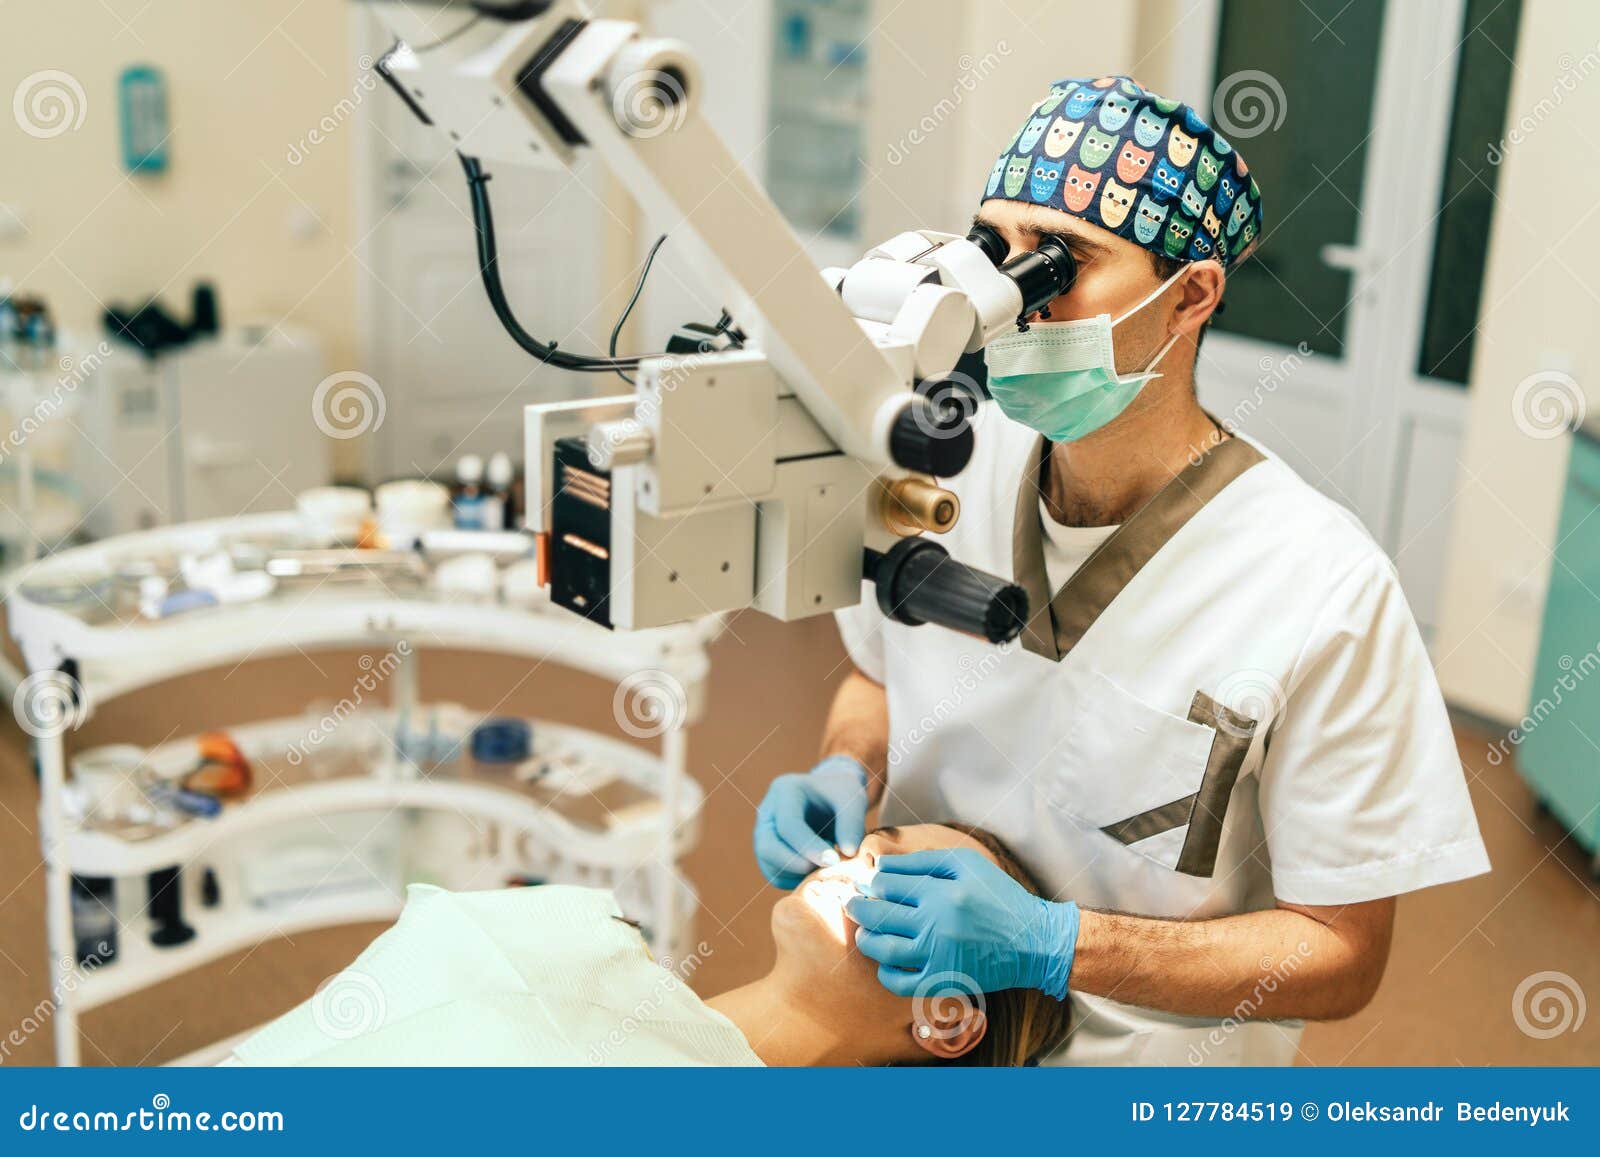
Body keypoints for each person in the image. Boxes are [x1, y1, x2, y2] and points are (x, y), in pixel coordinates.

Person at [753, 75, 1491, 1066]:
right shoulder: (940, 465)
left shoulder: (1324, 585)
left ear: (1189, 295)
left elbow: (1340, 955)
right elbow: (878, 672)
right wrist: (849, 762)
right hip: (920, 1028)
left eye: (1059, 262)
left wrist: (1056, 943)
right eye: (994, 249)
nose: (1009, 300)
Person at [229, 823, 1068, 1067]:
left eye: (916, 886)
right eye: (878, 841)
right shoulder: (594, 949)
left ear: (947, 1017)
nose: (862, 863)